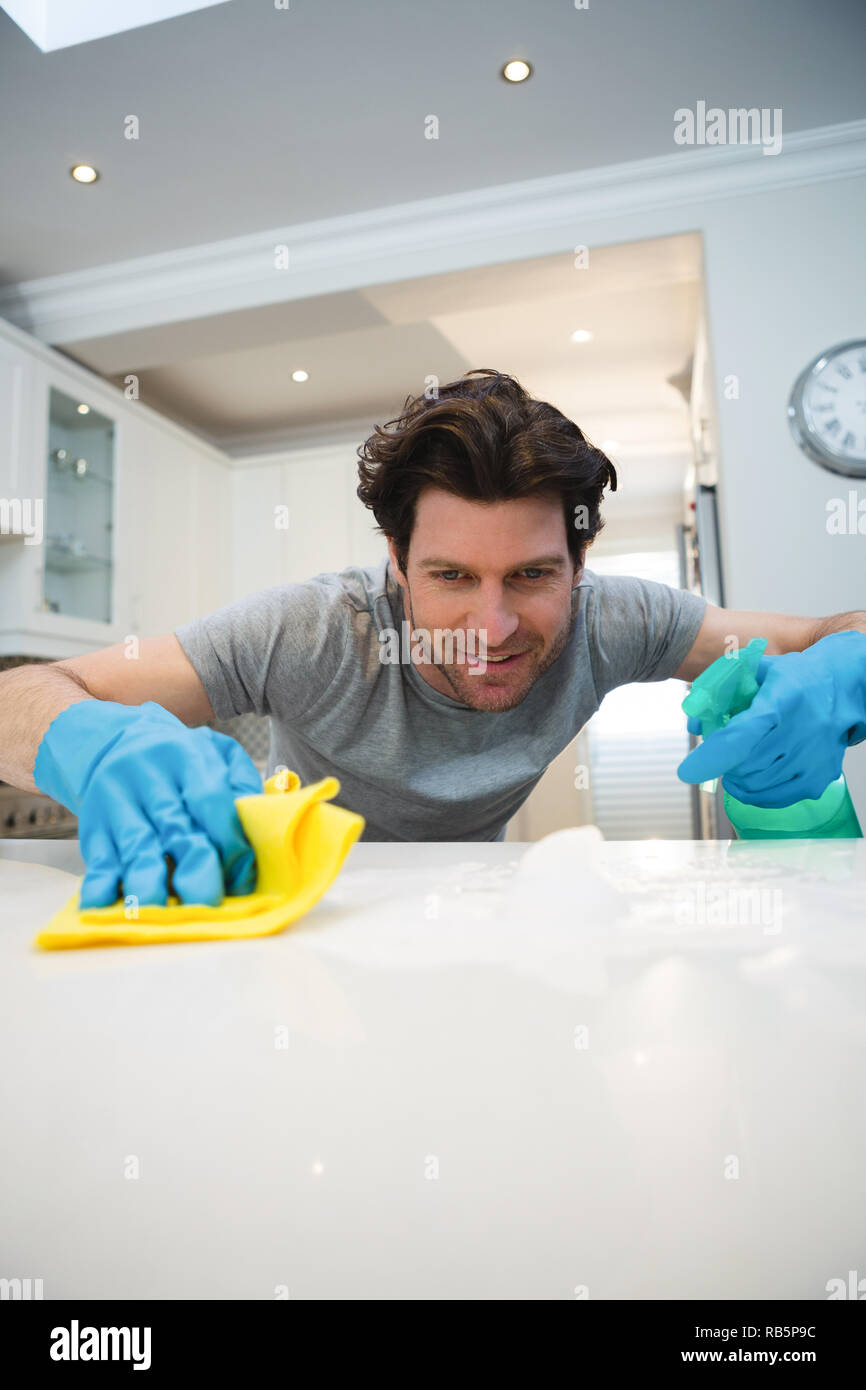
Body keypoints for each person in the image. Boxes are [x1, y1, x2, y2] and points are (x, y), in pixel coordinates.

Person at [1, 370, 864, 907]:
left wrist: (841, 670)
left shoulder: (617, 618)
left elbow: (831, 629)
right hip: (306, 911)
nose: (491, 630)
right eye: (451, 577)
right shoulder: (314, 630)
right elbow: (17, 696)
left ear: (579, 558)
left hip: (472, 905)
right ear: (397, 561)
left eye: (531, 575)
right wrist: (90, 742)